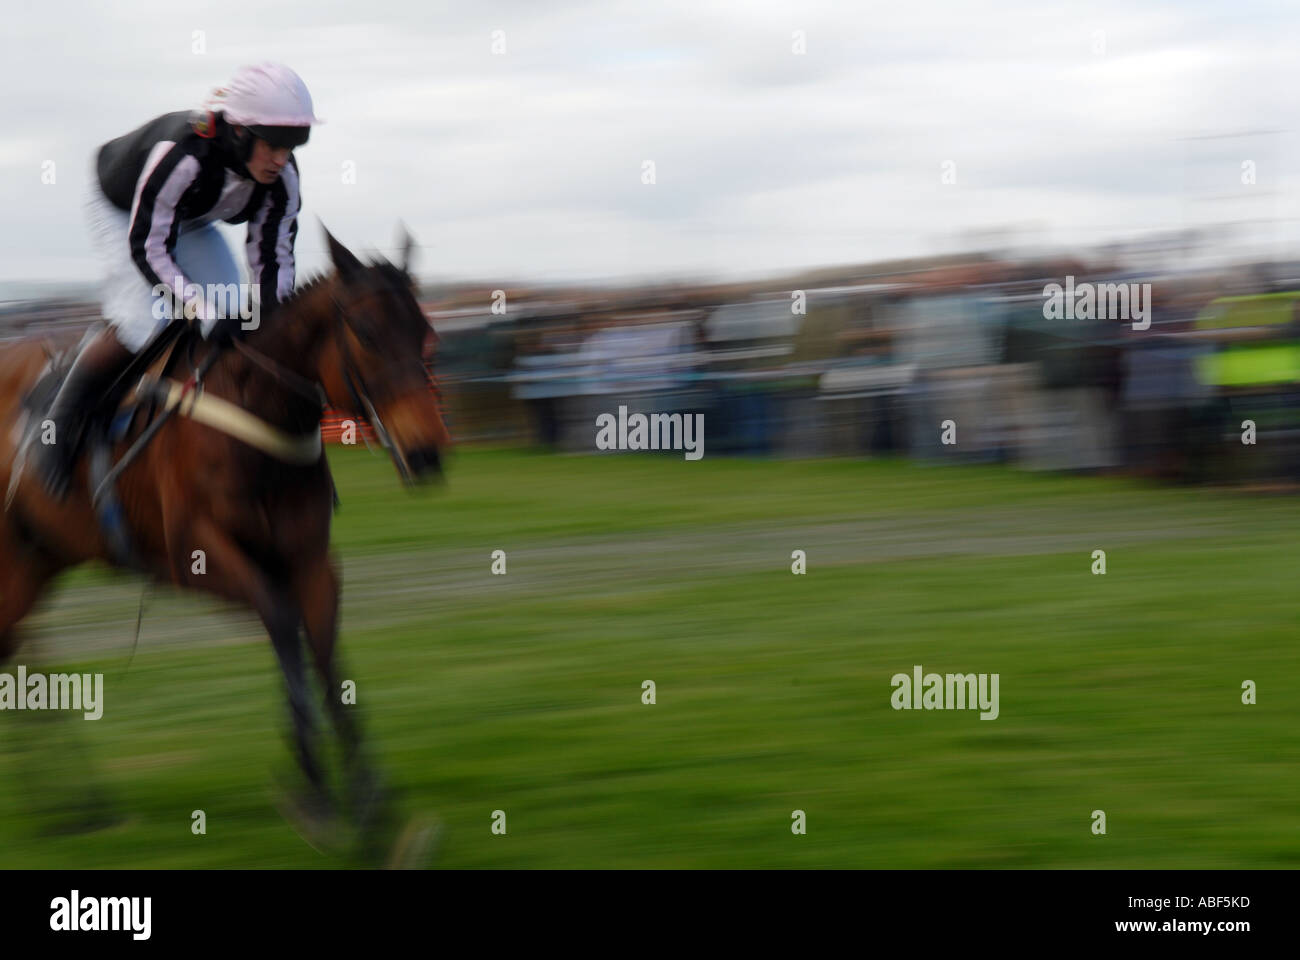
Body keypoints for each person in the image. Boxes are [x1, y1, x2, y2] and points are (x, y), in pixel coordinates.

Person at [31, 62, 322, 499]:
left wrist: (269, 322)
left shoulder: (283, 179)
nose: (282, 158)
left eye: (294, 144)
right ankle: (55, 422)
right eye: (273, 144)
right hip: (122, 210)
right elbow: (148, 247)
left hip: (190, 218)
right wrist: (199, 311)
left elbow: (273, 258)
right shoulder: (185, 155)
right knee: (144, 323)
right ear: (240, 132)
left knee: (234, 311)